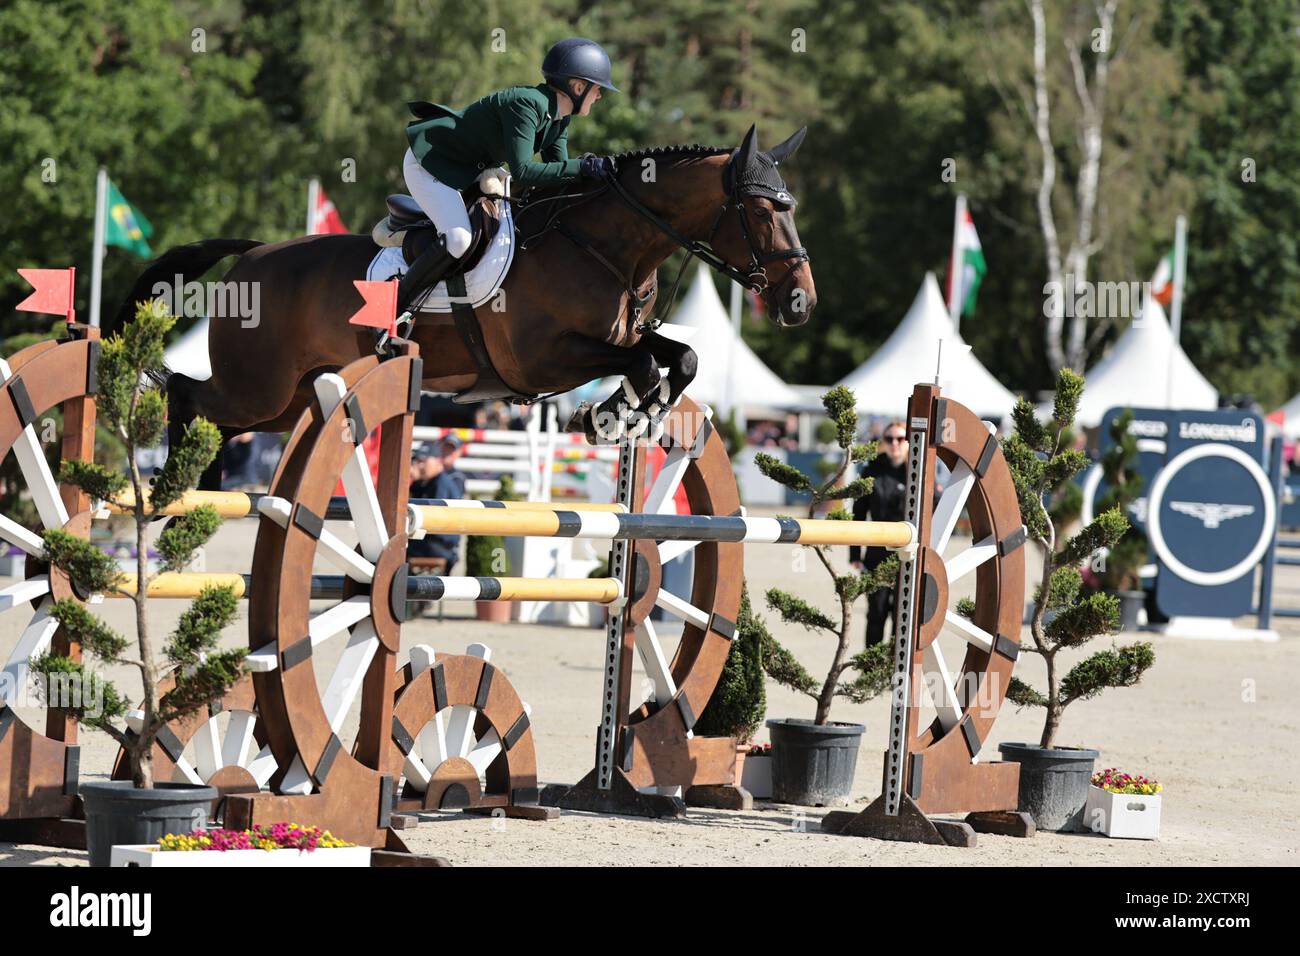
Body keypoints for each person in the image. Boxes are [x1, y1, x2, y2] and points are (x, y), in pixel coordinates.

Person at [397, 37, 620, 317]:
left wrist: (591, 174)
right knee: (459, 240)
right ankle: (396, 302)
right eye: (598, 89)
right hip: (430, 162)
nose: (599, 96)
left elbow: (560, 174)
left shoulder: (559, 118)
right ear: (578, 87)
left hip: (465, 171)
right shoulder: (527, 104)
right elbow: (524, 171)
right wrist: (582, 167)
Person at [850, 421, 909, 646]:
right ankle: (870, 670)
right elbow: (859, 513)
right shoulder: (872, 470)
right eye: (889, 439)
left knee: (902, 617)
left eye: (900, 439)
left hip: (907, 555)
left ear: (908, 442)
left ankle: (894, 672)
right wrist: (855, 553)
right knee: (876, 612)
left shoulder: (916, 471)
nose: (894, 443)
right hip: (876, 553)